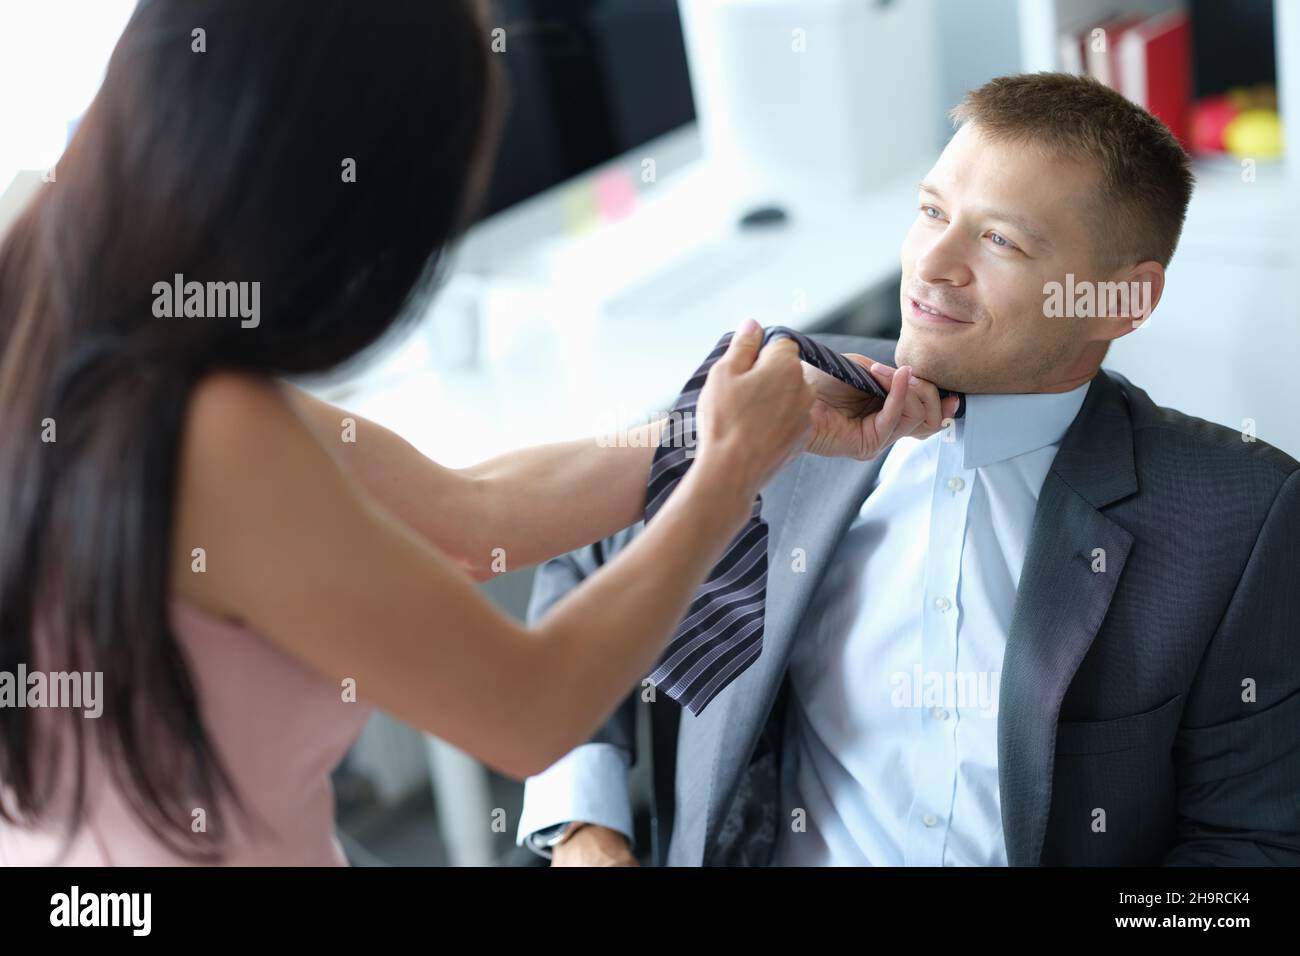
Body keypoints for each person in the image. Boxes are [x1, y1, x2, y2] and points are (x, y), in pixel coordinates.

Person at [0, 0, 953, 865]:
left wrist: (700, 435)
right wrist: (724, 478)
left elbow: (467, 517)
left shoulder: (58, 292)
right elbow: (528, 710)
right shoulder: (212, 432)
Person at [517, 72, 1300, 867]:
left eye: (1000, 240)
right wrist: (585, 832)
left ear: (1119, 302)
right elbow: (581, 562)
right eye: (931, 211)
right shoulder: (786, 400)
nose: (932, 263)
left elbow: (1253, 850)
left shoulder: (1240, 519)